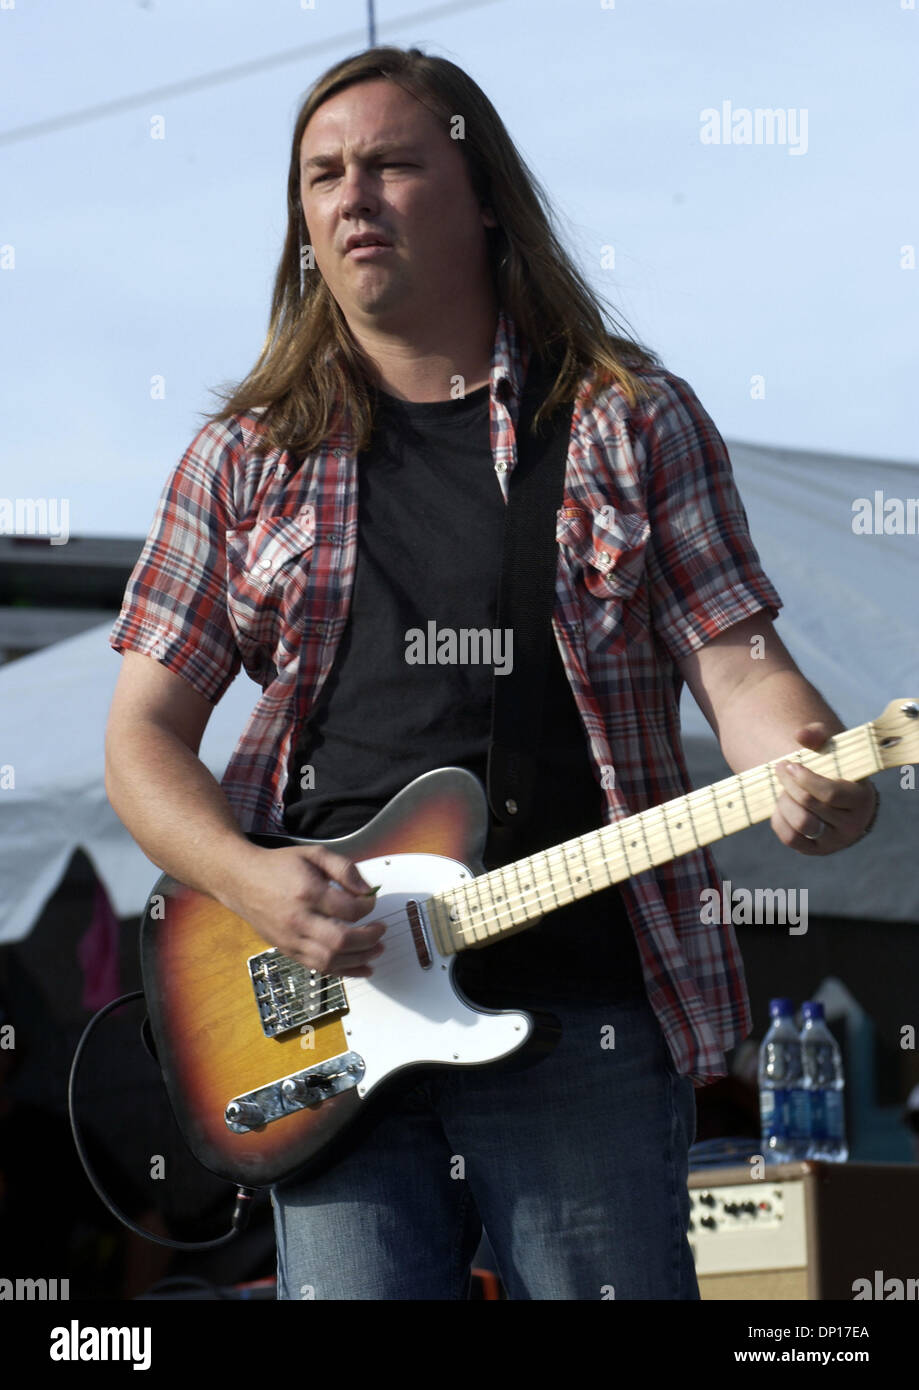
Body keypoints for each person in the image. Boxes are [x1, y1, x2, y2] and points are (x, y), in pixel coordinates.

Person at [105, 46, 878, 1301]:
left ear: (482, 198)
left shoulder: (631, 418)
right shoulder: (242, 456)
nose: (352, 196)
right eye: (323, 175)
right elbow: (141, 737)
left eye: (393, 163)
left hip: (578, 1005)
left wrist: (807, 761)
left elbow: (743, 672)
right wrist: (246, 875)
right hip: (329, 1012)